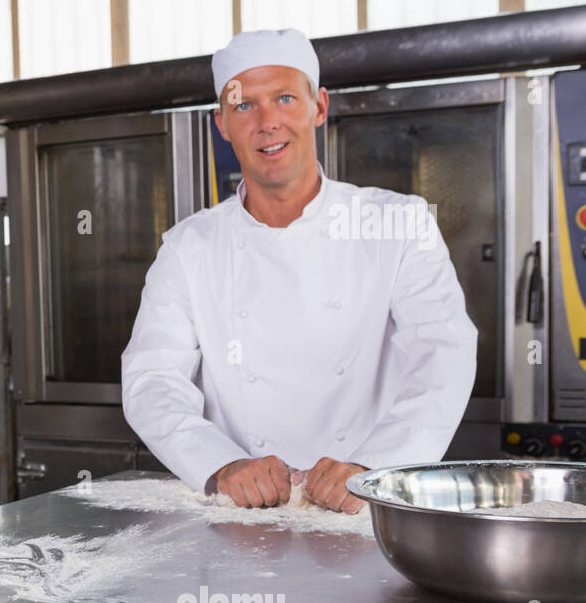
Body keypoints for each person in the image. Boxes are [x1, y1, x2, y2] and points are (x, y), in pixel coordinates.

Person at [121, 28, 476, 514]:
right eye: (244, 105)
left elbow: (443, 355)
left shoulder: (397, 224)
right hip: (241, 514)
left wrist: (376, 468)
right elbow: (152, 377)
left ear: (319, 107)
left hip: (365, 508)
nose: (268, 122)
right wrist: (222, 465)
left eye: (285, 98)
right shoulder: (189, 248)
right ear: (221, 123)